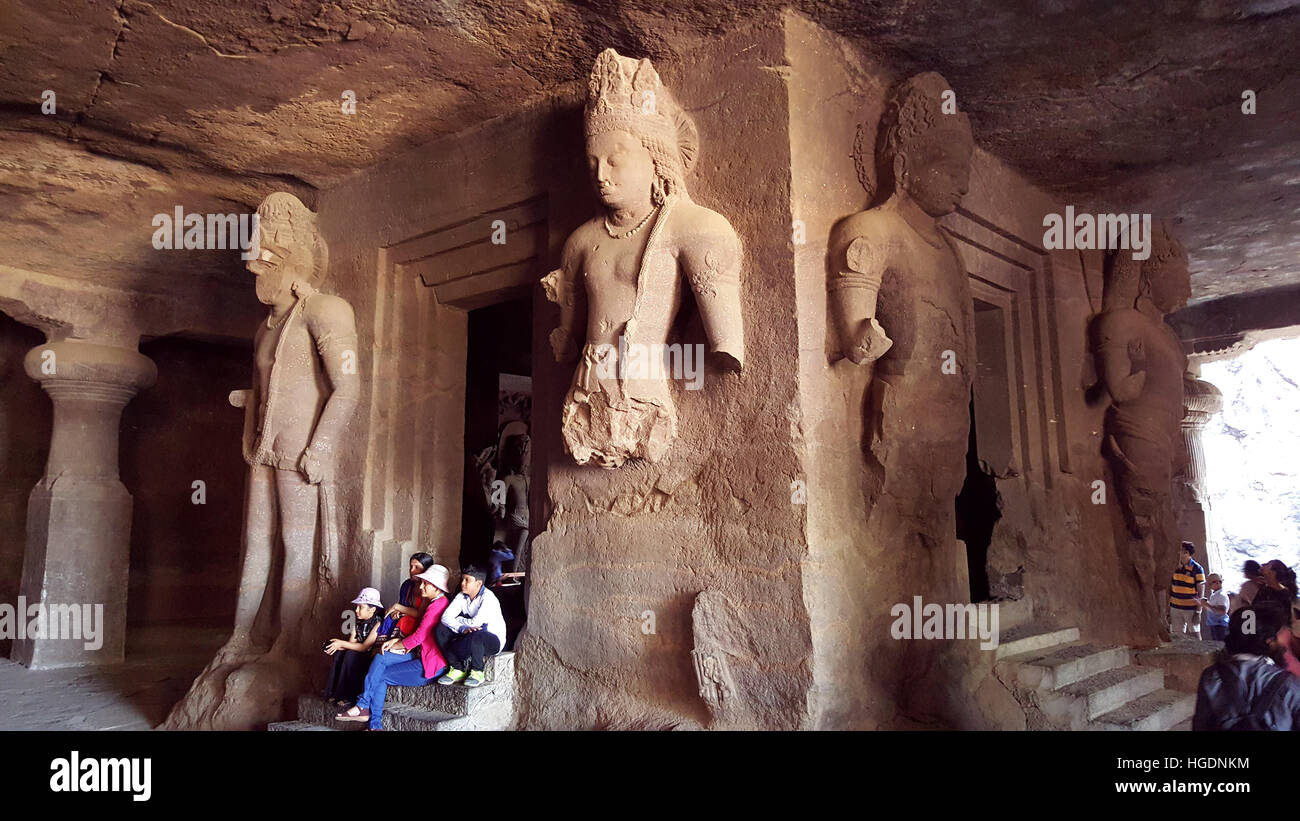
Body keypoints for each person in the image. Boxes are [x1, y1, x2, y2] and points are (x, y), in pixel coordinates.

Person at [337, 565, 451, 730]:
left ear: (436, 586)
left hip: (429, 664)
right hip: (419, 653)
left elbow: (419, 637)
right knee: (381, 657)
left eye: (425, 583)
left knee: (381, 675)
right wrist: (395, 641)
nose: (421, 586)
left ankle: (372, 721)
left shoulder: (438, 605)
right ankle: (364, 709)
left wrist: (395, 643)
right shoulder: (433, 602)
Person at [1193, 603, 1300, 730]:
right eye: (1280, 633)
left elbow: (1200, 726)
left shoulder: (1211, 676)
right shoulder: (1289, 684)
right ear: (1269, 641)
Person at [436, 565, 507, 688]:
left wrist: (458, 620)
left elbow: (476, 623)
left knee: (477, 635)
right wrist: (461, 627)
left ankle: (477, 672)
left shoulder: (488, 598)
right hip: (468, 635)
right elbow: (445, 617)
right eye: (462, 579)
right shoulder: (462, 596)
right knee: (440, 629)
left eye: (467, 580)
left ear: (478, 584)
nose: (463, 583)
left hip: (492, 641)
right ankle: (458, 669)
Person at [322, 587, 384, 707]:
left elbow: (365, 647)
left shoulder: (378, 623)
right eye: (357, 607)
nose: (356, 610)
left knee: (351, 656)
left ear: (372, 609)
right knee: (340, 654)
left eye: (360, 607)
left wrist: (341, 643)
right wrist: (336, 645)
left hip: (369, 657)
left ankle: (348, 696)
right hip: (356, 652)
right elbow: (352, 643)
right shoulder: (358, 622)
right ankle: (334, 692)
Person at [377, 552, 434, 640]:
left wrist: (397, 607)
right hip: (405, 616)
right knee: (387, 619)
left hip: (419, 623)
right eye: (410, 567)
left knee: (405, 621)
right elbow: (402, 605)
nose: (412, 571)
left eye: (417, 567)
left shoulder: (429, 588)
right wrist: (397, 612)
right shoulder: (407, 585)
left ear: (426, 570)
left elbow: (420, 614)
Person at [1170, 541, 1205, 640]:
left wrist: (1198, 612)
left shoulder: (1197, 569)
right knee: (1177, 635)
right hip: (1175, 607)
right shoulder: (1174, 566)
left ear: (1187, 553)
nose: (1178, 553)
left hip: (1191, 608)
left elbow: (1200, 592)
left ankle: (1201, 654)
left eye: (1180, 550)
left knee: (1195, 633)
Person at [1200, 574, 1230, 642]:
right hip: (1216, 624)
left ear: (1218, 583)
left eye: (1210, 584)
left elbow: (1222, 611)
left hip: (1220, 625)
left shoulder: (1221, 595)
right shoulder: (1216, 595)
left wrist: (1207, 605)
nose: (1209, 586)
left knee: (1220, 645)